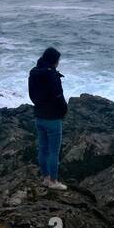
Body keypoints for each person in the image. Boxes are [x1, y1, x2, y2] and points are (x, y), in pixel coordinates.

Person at [28, 46, 68, 189]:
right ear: (54, 61)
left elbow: (32, 94)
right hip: (53, 118)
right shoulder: (52, 75)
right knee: (53, 152)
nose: (58, 63)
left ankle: (45, 178)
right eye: (58, 60)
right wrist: (64, 110)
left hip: (39, 116)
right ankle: (53, 181)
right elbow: (59, 96)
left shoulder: (34, 73)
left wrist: (39, 106)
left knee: (43, 149)